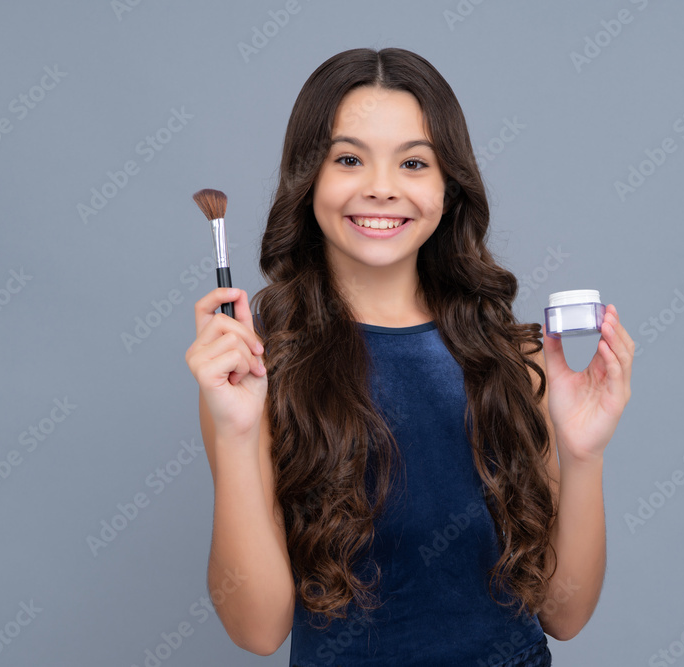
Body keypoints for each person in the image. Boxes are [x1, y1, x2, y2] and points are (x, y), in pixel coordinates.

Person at [184, 47, 634, 666]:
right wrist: (237, 435)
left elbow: (565, 614)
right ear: (308, 179)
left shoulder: (513, 356)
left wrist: (583, 455)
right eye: (348, 159)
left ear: (449, 187)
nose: (381, 188)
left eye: (414, 163)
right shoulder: (253, 369)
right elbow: (257, 631)